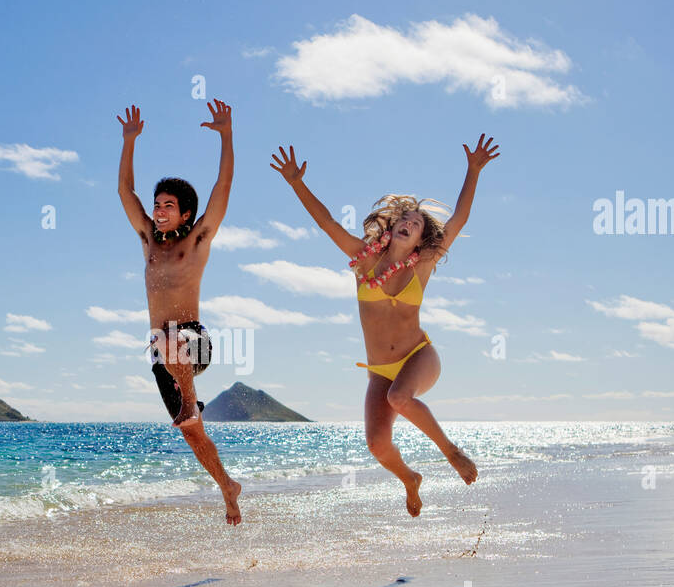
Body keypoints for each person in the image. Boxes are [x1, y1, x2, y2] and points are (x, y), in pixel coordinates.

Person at [270, 134, 500, 516]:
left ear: (421, 242)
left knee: (400, 398)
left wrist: (473, 171)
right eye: (404, 219)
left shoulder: (422, 267)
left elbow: (458, 220)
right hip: (380, 370)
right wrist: (297, 183)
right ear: (392, 229)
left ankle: (452, 453)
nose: (408, 223)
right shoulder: (363, 260)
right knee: (377, 445)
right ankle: (410, 479)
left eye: (416, 224)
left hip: (418, 357)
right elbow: (327, 223)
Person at [116, 100, 243, 525]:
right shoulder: (149, 243)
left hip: (193, 339)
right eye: (157, 204)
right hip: (160, 353)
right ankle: (227, 486)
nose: (158, 210)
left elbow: (223, 187)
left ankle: (191, 402)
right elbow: (124, 193)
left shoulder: (196, 243)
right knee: (192, 433)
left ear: (185, 213)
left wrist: (226, 135)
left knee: (173, 344)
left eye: (168, 205)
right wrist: (129, 142)